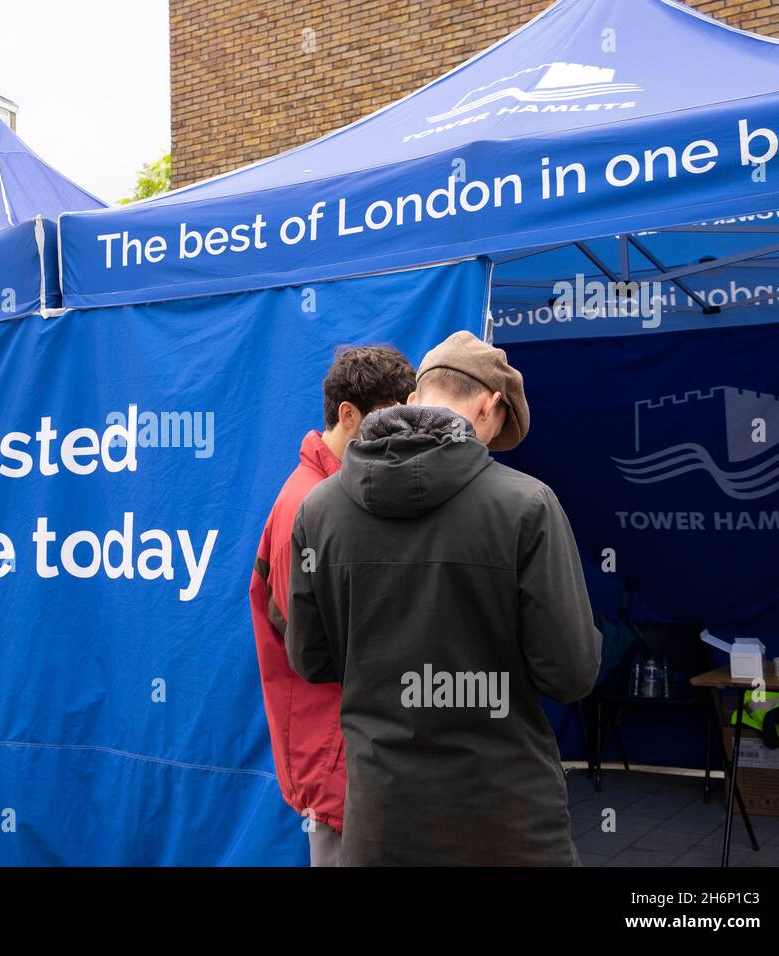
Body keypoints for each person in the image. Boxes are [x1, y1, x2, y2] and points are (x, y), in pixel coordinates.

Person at [286, 331, 601, 866]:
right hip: (506, 826)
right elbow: (570, 673)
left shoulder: (318, 511)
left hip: (380, 826)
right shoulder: (527, 505)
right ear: (492, 404)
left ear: (414, 399)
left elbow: (310, 661)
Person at [249, 344, 416, 867]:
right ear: (349, 414)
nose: (401, 436)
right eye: (389, 419)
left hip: (353, 748)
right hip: (334, 755)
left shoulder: (340, 492)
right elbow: (310, 647)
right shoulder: (305, 504)